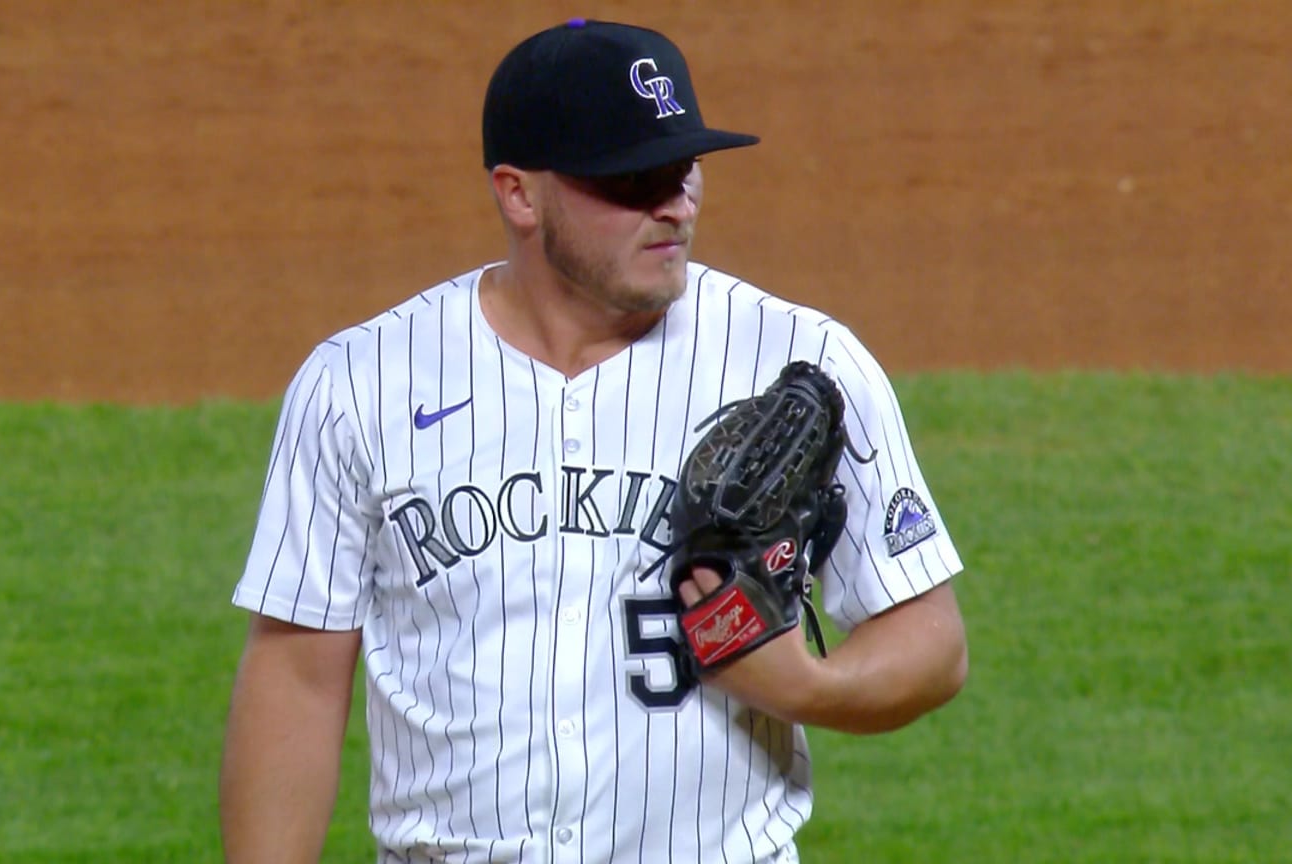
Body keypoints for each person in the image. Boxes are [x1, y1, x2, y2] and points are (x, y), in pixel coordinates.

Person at [219, 18, 968, 864]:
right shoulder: (361, 383)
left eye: (682, 170)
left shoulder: (800, 364)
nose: (671, 204)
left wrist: (809, 685)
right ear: (518, 193)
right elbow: (298, 677)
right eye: (630, 179)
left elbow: (931, 642)